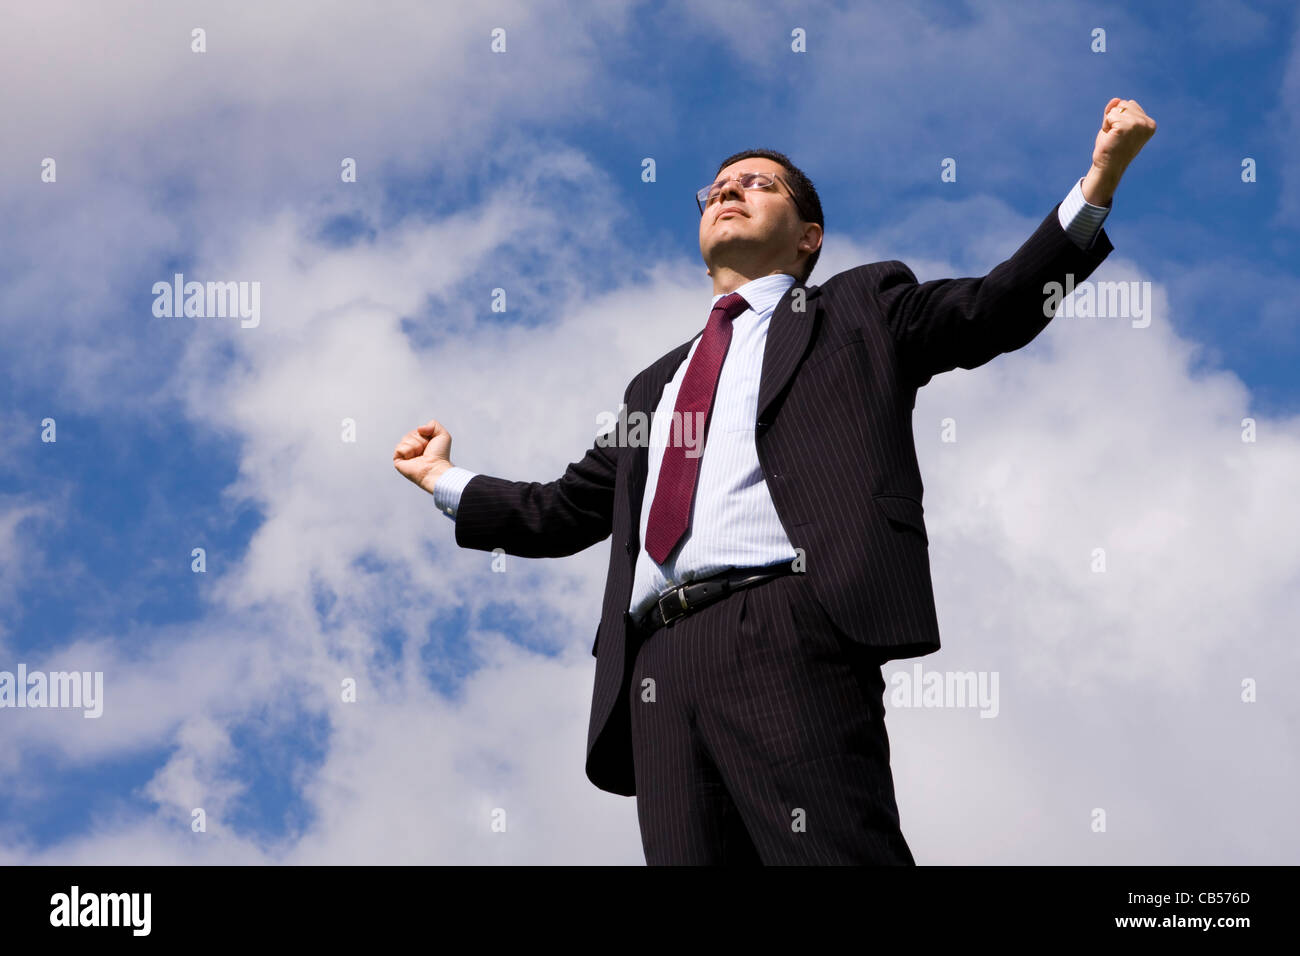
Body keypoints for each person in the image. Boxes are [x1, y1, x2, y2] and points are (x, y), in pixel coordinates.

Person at [394, 98, 1156, 864]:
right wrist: (445, 479)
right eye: (717, 187)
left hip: (785, 627)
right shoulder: (655, 387)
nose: (727, 191)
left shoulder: (860, 309)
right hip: (656, 667)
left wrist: (1097, 184)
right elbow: (562, 510)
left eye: (757, 184)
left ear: (808, 237)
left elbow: (993, 308)